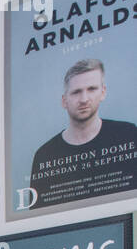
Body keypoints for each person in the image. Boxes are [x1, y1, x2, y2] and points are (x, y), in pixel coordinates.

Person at [30, 59, 137, 207]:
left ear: (103, 92)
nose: (84, 99)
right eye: (76, 92)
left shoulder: (128, 134)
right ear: (64, 101)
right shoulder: (45, 155)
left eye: (92, 89)